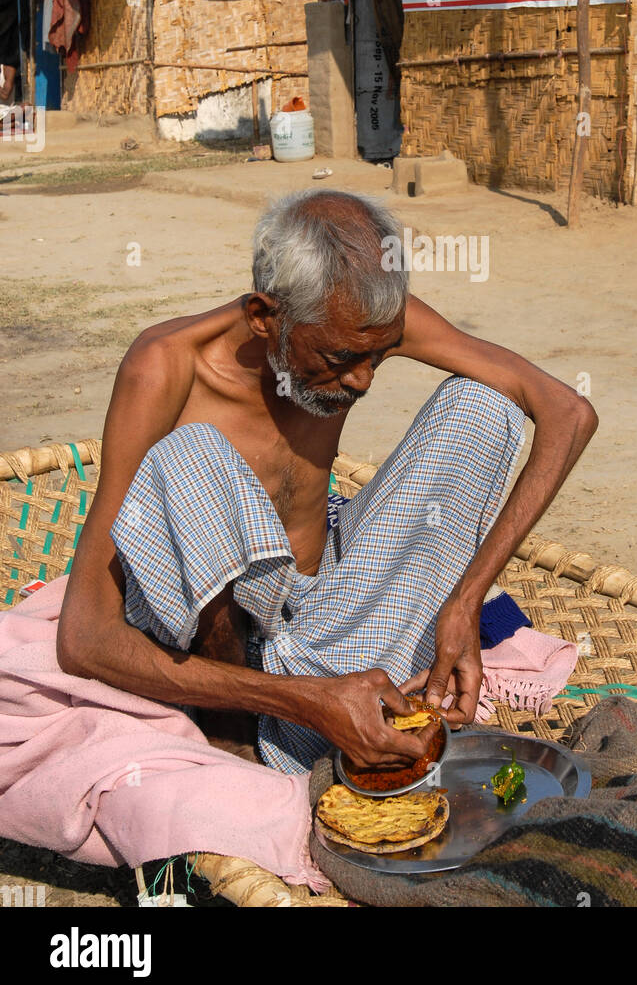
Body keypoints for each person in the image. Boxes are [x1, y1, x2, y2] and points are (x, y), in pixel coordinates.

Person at [57, 190, 598, 774]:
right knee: (194, 456)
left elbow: (568, 412)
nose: (364, 380)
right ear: (267, 318)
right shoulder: (165, 367)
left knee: (483, 402)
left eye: (380, 354)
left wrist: (467, 602)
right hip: (217, 662)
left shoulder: (363, 321)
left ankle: (351, 710)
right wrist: (309, 702)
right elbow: (83, 637)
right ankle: (240, 738)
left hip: (336, 626)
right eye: (341, 357)